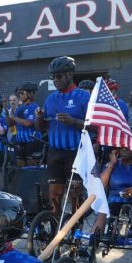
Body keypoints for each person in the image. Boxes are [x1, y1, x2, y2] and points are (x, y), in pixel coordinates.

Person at [81, 147, 132, 263]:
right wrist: (112, 164)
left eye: (128, 146)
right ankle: (90, 248)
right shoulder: (112, 164)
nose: (124, 149)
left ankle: (129, 217)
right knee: (103, 209)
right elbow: (101, 186)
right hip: (114, 206)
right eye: (121, 146)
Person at [35, 56, 90, 214]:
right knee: (54, 195)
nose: (55, 80)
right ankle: (55, 228)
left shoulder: (83, 97)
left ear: (70, 75)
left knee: (75, 194)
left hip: (76, 153)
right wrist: (39, 117)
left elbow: (97, 127)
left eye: (58, 76)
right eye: (52, 77)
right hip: (54, 153)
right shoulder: (50, 98)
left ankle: (75, 230)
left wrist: (74, 121)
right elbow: (41, 127)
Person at [11, 82, 40, 166]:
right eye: (19, 93)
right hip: (20, 141)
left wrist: (14, 118)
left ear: (30, 93)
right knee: (20, 165)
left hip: (31, 141)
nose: (20, 95)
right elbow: (11, 124)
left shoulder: (34, 107)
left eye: (22, 93)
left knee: (31, 166)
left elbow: (28, 123)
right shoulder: (19, 108)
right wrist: (6, 113)